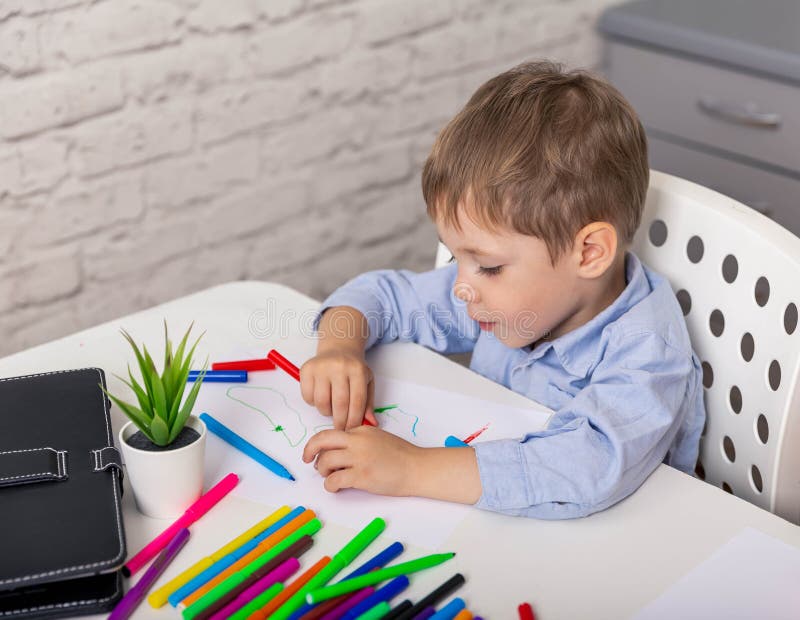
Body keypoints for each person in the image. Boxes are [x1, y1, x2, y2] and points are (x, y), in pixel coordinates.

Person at [299, 61, 705, 519]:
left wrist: (411, 468)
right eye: (456, 257)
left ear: (590, 253)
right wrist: (339, 348)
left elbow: (586, 466)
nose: (461, 287)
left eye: (488, 266)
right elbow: (384, 296)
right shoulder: (498, 296)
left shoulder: (648, 351)